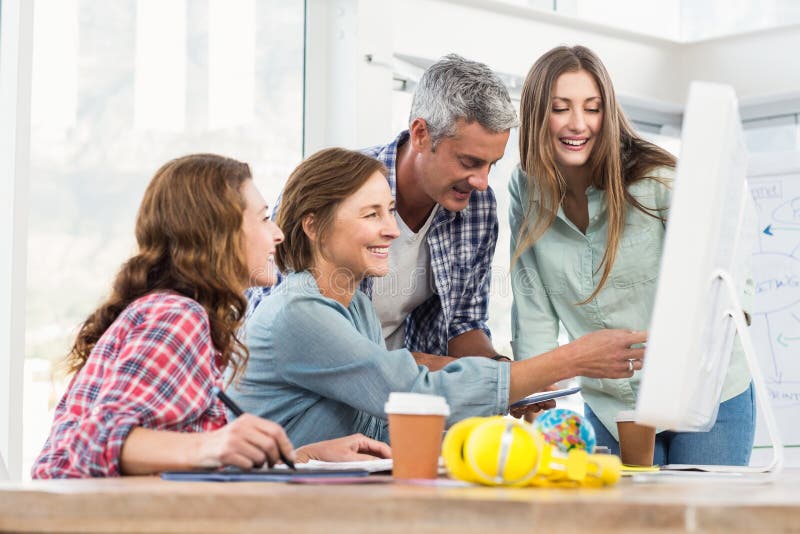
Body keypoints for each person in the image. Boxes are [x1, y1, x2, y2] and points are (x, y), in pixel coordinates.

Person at [229, 147, 647, 447]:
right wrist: (571, 359)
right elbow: (412, 393)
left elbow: (378, 421)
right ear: (313, 226)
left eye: (389, 211)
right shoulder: (299, 312)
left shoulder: (354, 306)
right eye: (372, 214)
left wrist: (490, 435)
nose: (392, 230)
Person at [32, 154, 390, 478]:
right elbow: (90, 443)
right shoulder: (176, 316)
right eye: (264, 219)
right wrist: (212, 445)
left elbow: (175, 463)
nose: (279, 234)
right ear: (221, 232)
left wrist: (304, 456)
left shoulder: (183, 315)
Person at [509, 45, 754, 465]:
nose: (578, 123)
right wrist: (536, 383)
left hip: (706, 394)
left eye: (592, 108)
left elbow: (727, 265)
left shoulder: (655, 179)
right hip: (613, 406)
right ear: (536, 115)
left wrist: (721, 324)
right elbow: (531, 295)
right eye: (560, 108)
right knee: (629, 508)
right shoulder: (526, 188)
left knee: (699, 507)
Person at [248, 54, 517, 365]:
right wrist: (484, 377)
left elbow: (462, 323)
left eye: (492, 165)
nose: (482, 182)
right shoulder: (333, 187)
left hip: (394, 385)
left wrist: (501, 370)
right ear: (420, 134)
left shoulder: (477, 206)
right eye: (469, 162)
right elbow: (291, 328)